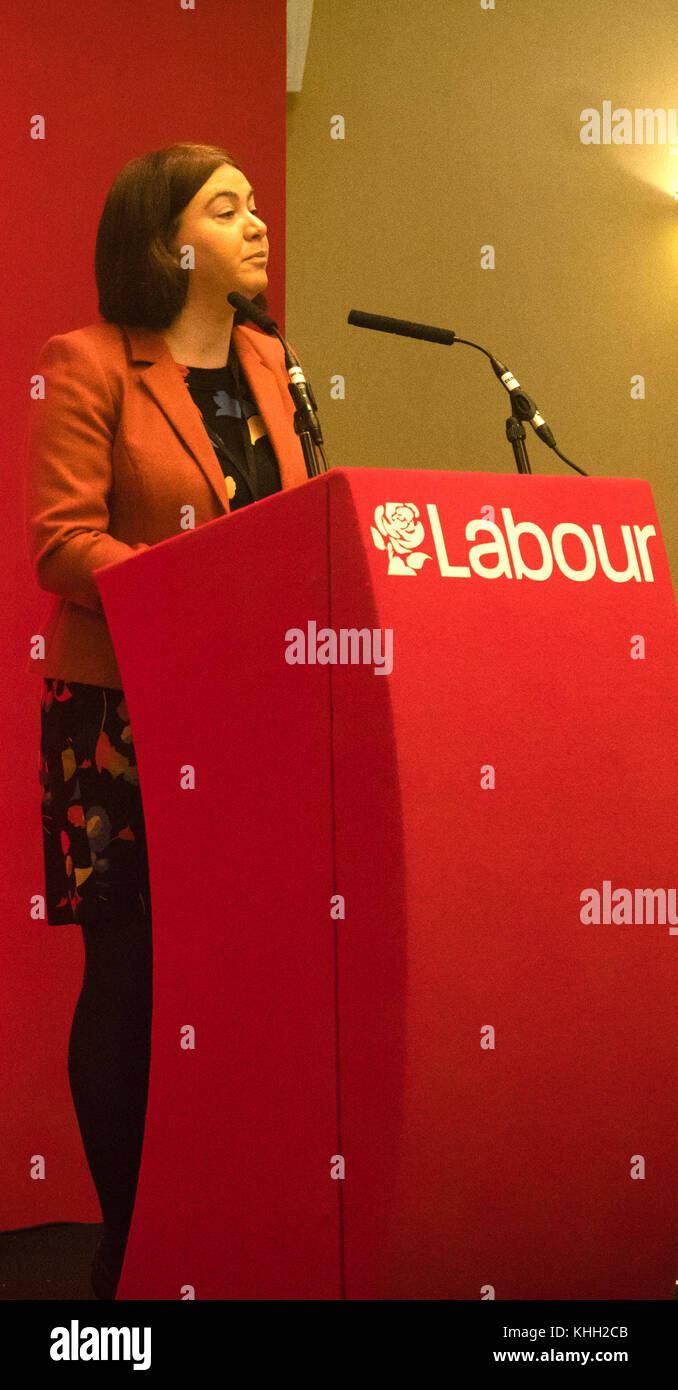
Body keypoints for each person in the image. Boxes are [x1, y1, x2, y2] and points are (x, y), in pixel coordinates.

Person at [24, 142, 310, 1299]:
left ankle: (226, 1215)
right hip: (119, 715)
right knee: (134, 971)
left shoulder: (275, 364)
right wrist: (193, 589)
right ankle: (129, 1241)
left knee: (241, 974)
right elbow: (60, 540)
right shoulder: (88, 363)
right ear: (163, 242)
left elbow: (301, 522)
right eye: (226, 207)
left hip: (253, 710)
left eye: (253, 204)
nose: (255, 224)